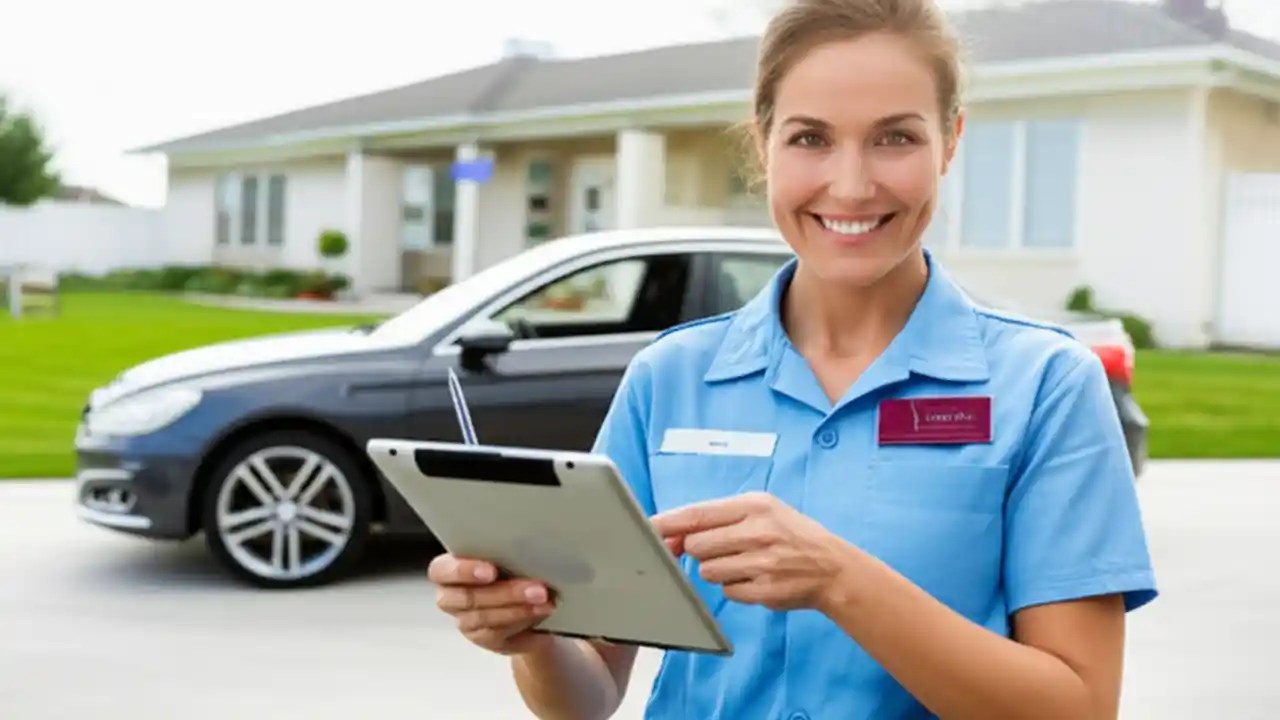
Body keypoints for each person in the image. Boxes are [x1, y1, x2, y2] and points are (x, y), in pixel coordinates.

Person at [427, 0, 1159, 716]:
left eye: (895, 138)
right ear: (763, 143)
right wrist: (530, 638)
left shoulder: (1046, 387)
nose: (851, 184)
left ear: (952, 142)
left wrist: (840, 581)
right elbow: (587, 696)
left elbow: (1077, 707)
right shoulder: (668, 379)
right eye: (810, 139)